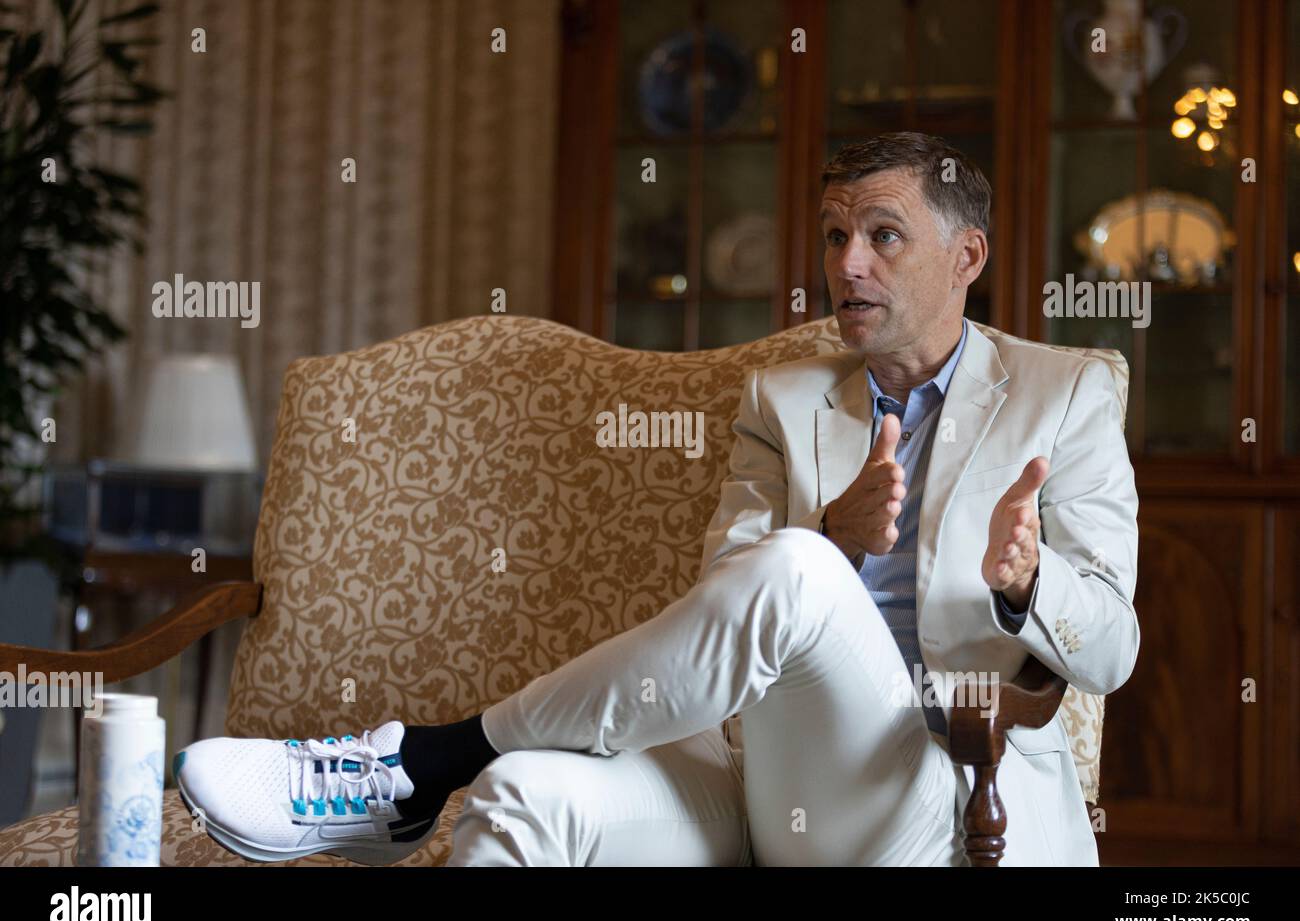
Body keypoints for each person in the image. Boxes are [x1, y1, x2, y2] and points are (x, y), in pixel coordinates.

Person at [173, 131, 1139, 867]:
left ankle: (420, 762)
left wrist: (1027, 582)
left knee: (799, 562)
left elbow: (1113, 648)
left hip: (935, 789)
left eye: (884, 236)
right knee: (522, 794)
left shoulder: (1067, 391)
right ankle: (440, 772)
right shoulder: (787, 397)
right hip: (772, 779)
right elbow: (729, 605)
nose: (847, 264)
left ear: (967, 257)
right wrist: (835, 536)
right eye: (837, 234)